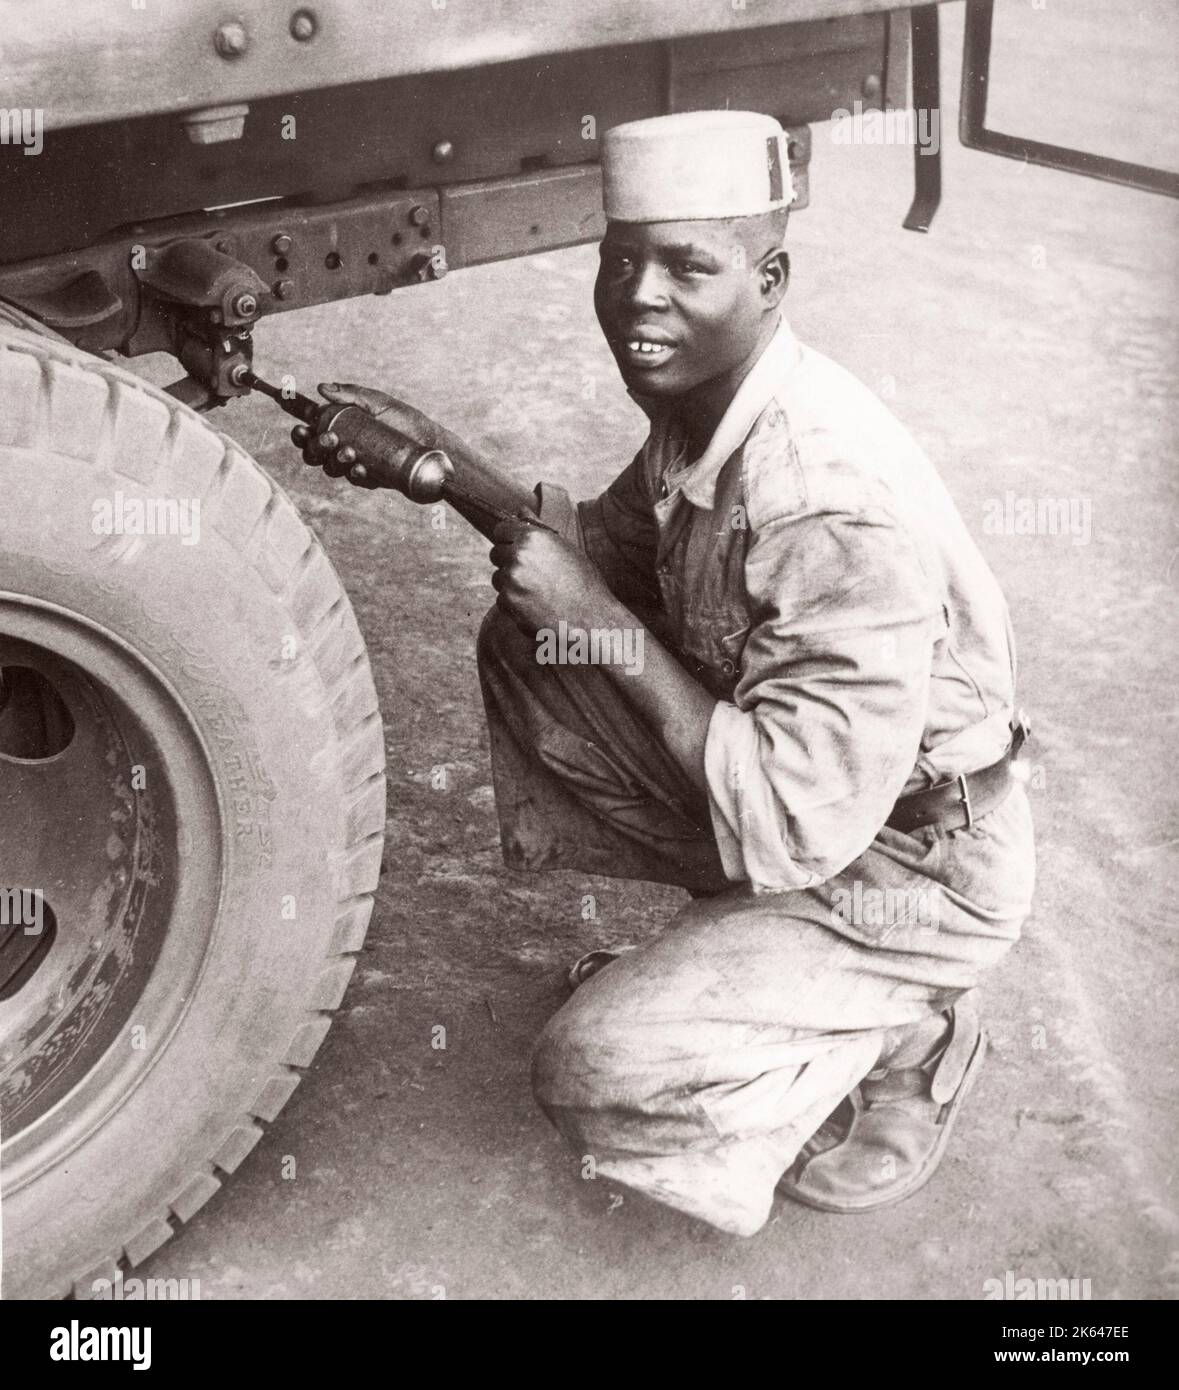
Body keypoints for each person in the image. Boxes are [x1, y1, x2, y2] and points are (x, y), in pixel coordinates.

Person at [301, 110, 1036, 1236]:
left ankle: (906, 1024)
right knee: (533, 644)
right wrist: (435, 463)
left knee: (595, 1067)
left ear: (772, 277)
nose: (640, 295)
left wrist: (593, 616)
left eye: (689, 265)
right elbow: (595, 551)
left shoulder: (820, 499)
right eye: (622, 260)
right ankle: (755, 962)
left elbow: (797, 818)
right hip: (831, 809)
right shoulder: (712, 411)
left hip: (914, 870)